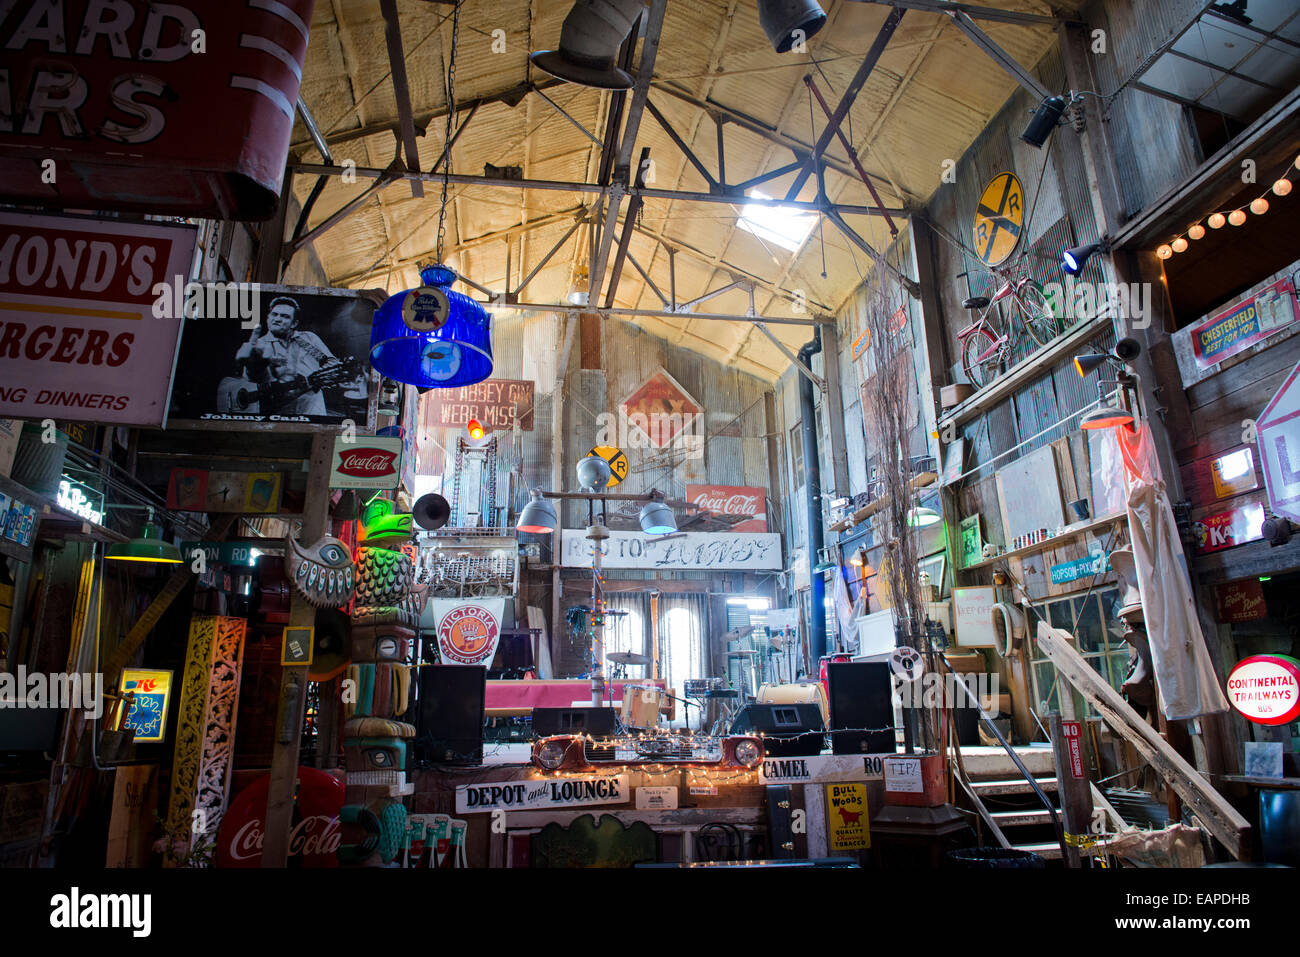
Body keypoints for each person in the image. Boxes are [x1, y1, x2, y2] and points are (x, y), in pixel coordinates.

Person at [234, 296, 337, 415]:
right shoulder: (260, 345)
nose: (277, 319)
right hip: (277, 413)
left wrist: (311, 380)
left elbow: (330, 362)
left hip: (311, 408)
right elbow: (249, 382)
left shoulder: (307, 339)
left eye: (285, 316)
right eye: (274, 314)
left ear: (294, 323)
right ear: (268, 318)